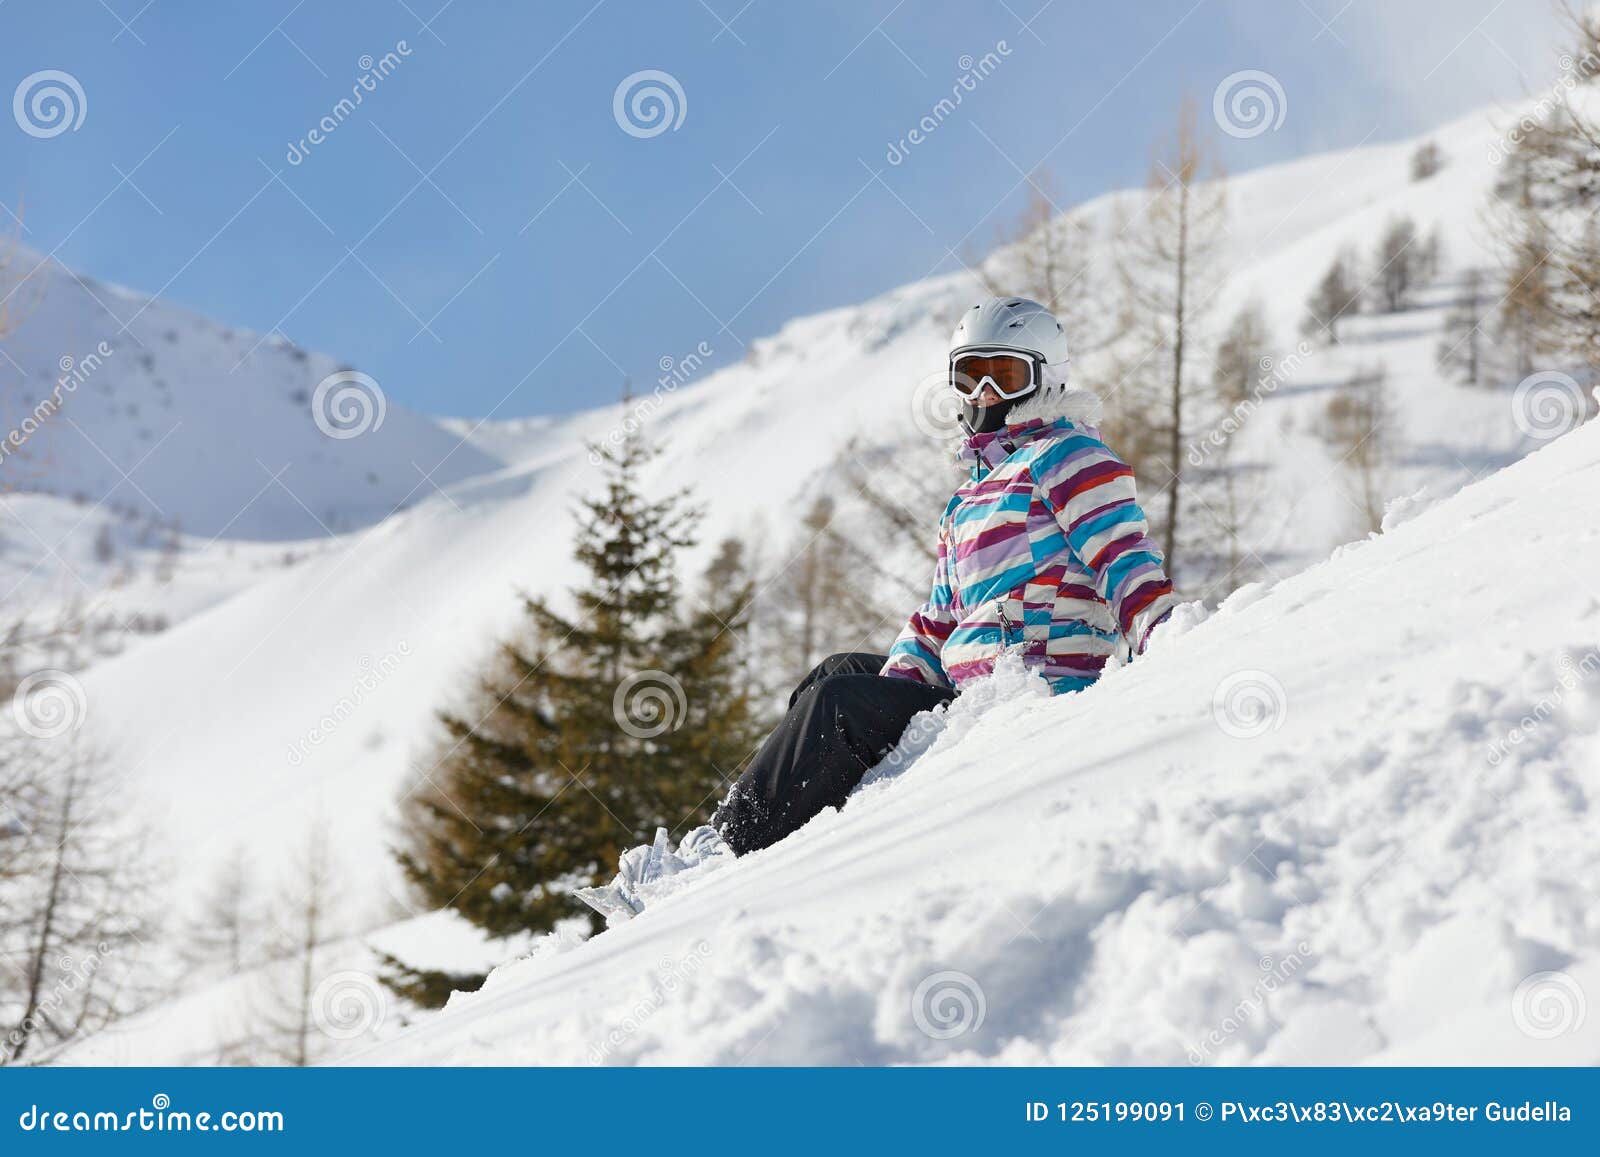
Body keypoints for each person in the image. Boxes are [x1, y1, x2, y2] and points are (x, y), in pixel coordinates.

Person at [578, 296, 1178, 921]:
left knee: (839, 709)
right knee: (838, 676)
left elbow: (1123, 557)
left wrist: (1168, 639)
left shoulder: (1070, 459)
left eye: (1005, 375)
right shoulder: (971, 495)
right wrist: (891, 701)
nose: (986, 395)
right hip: (975, 687)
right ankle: (767, 819)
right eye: (971, 376)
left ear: (1046, 376)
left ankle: (721, 857)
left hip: (1038, 684)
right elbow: (937, 618)